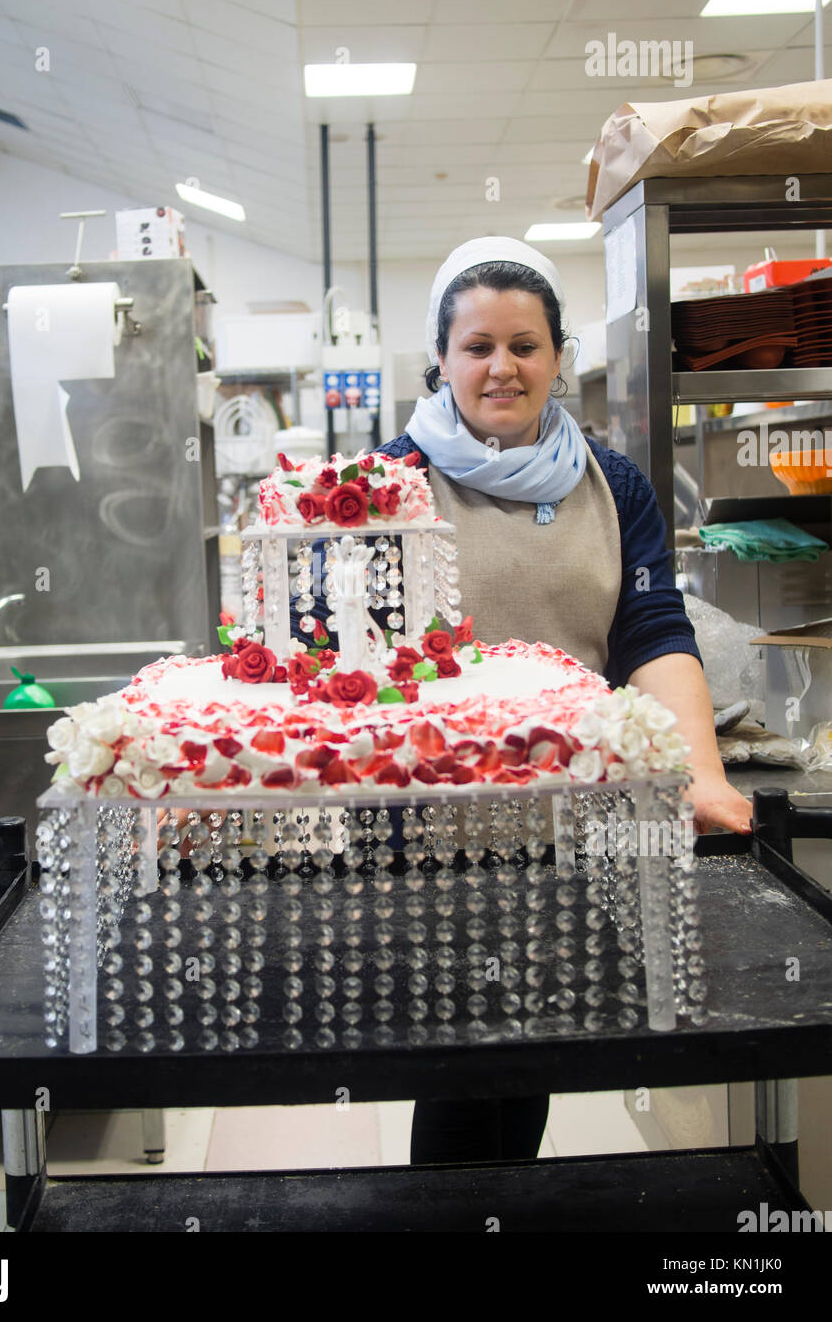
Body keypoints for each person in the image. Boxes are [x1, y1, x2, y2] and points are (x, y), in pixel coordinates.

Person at [293, 235, 753, 1166]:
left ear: (555, 356)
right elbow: (327, 657)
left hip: (571, 820)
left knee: (530, 1056)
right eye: (476, 346)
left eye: (524, 344)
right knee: (460, 1063)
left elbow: (652, 636)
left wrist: (700, 773)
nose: (501, 366)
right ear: (441, 359)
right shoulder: (382, 489)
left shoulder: (612, 484)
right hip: (426, 831)